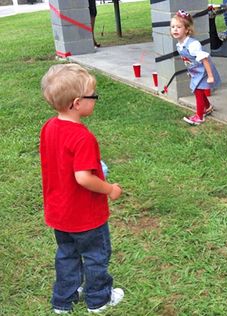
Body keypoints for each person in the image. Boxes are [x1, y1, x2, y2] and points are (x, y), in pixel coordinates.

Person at [40, 63, 124, 314]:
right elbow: (83, 178)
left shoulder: (49, 128)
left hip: (59, 212)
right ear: (77, 103)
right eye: (93, 96)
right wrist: (109, 188)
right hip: (85, 214)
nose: (95, 100)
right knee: (96, 255)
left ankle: (62, 301)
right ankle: (98, 299)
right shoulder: (82, 137)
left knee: (66, 254)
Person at [171, 10, 221, 125]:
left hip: (204, 71)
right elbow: (188, 60)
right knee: (197, 89)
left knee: (197, 90)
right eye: (173, 27)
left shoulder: (193, 45)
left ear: (187, 29)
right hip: (196, 71)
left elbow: (205, 60)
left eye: (179, 27)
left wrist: (210, 76)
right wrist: (190, 71)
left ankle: (199, 116)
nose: (175, 29)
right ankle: (207, 107)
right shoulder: (179, 45)